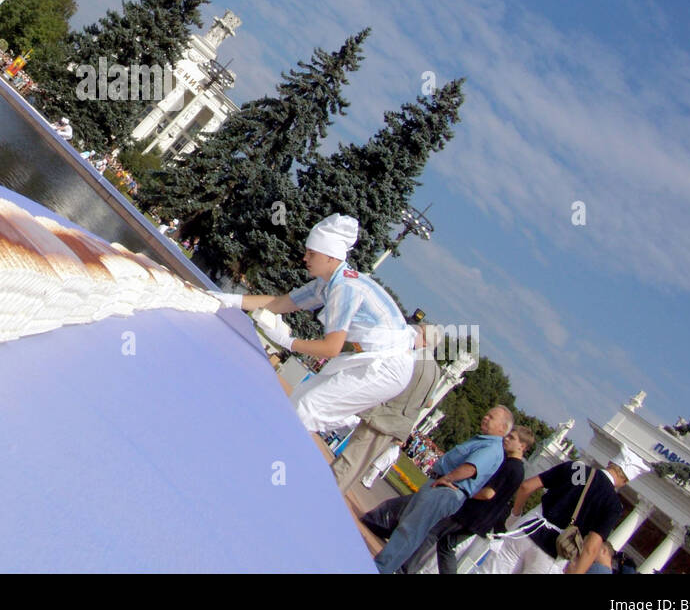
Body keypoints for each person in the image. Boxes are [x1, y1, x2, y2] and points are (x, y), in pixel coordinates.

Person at [215, 214, 416, 434]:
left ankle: (280, 449)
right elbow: (279, 303)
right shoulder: (326, 284)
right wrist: (228, 300)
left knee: (307, 410)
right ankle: (335, 418)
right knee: (299, 397)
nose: (304, 258)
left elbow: (331, 348)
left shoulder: (344, 288)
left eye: (312, 253)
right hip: (373, 359)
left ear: (330, 257)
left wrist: (288, 341)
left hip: (387, 368)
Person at [362, 407, 514, 573]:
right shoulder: (485, 442)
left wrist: (447, 478)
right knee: (407, 528)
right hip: (443, 487)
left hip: (447, 490)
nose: (485, 417)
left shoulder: (492, 448)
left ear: (502, 428)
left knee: (410, 531)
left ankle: (379, 568)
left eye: (491, 417)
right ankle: (381, 566)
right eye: (487, 414)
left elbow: (471, 468)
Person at [486, 444, 650, 574]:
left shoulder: (576, 468)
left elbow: (526, 487)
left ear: (610, 463)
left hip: (525, 530)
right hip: (553, 553)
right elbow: (591, 548)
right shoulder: (613, 505)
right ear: (625, 480)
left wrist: (515, 515)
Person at [331, 324, 444, 497]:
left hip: (380, 414)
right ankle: (336, 493)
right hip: (398, 424)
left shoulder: (410, 357)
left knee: (350, 457)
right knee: (362, 464)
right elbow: (428, 402)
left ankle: (327, 488)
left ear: (423, 338)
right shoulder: (436, 371)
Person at [426, 425, 535, 574]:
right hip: (483, 519)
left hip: (473, 513)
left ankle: (405, 567)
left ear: (522, 446)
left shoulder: (510, 466)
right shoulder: (519, 470)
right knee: (446, 544)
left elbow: (489, 493)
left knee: (434, 534)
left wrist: (465, 492)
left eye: (512, 438)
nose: (506, 439)